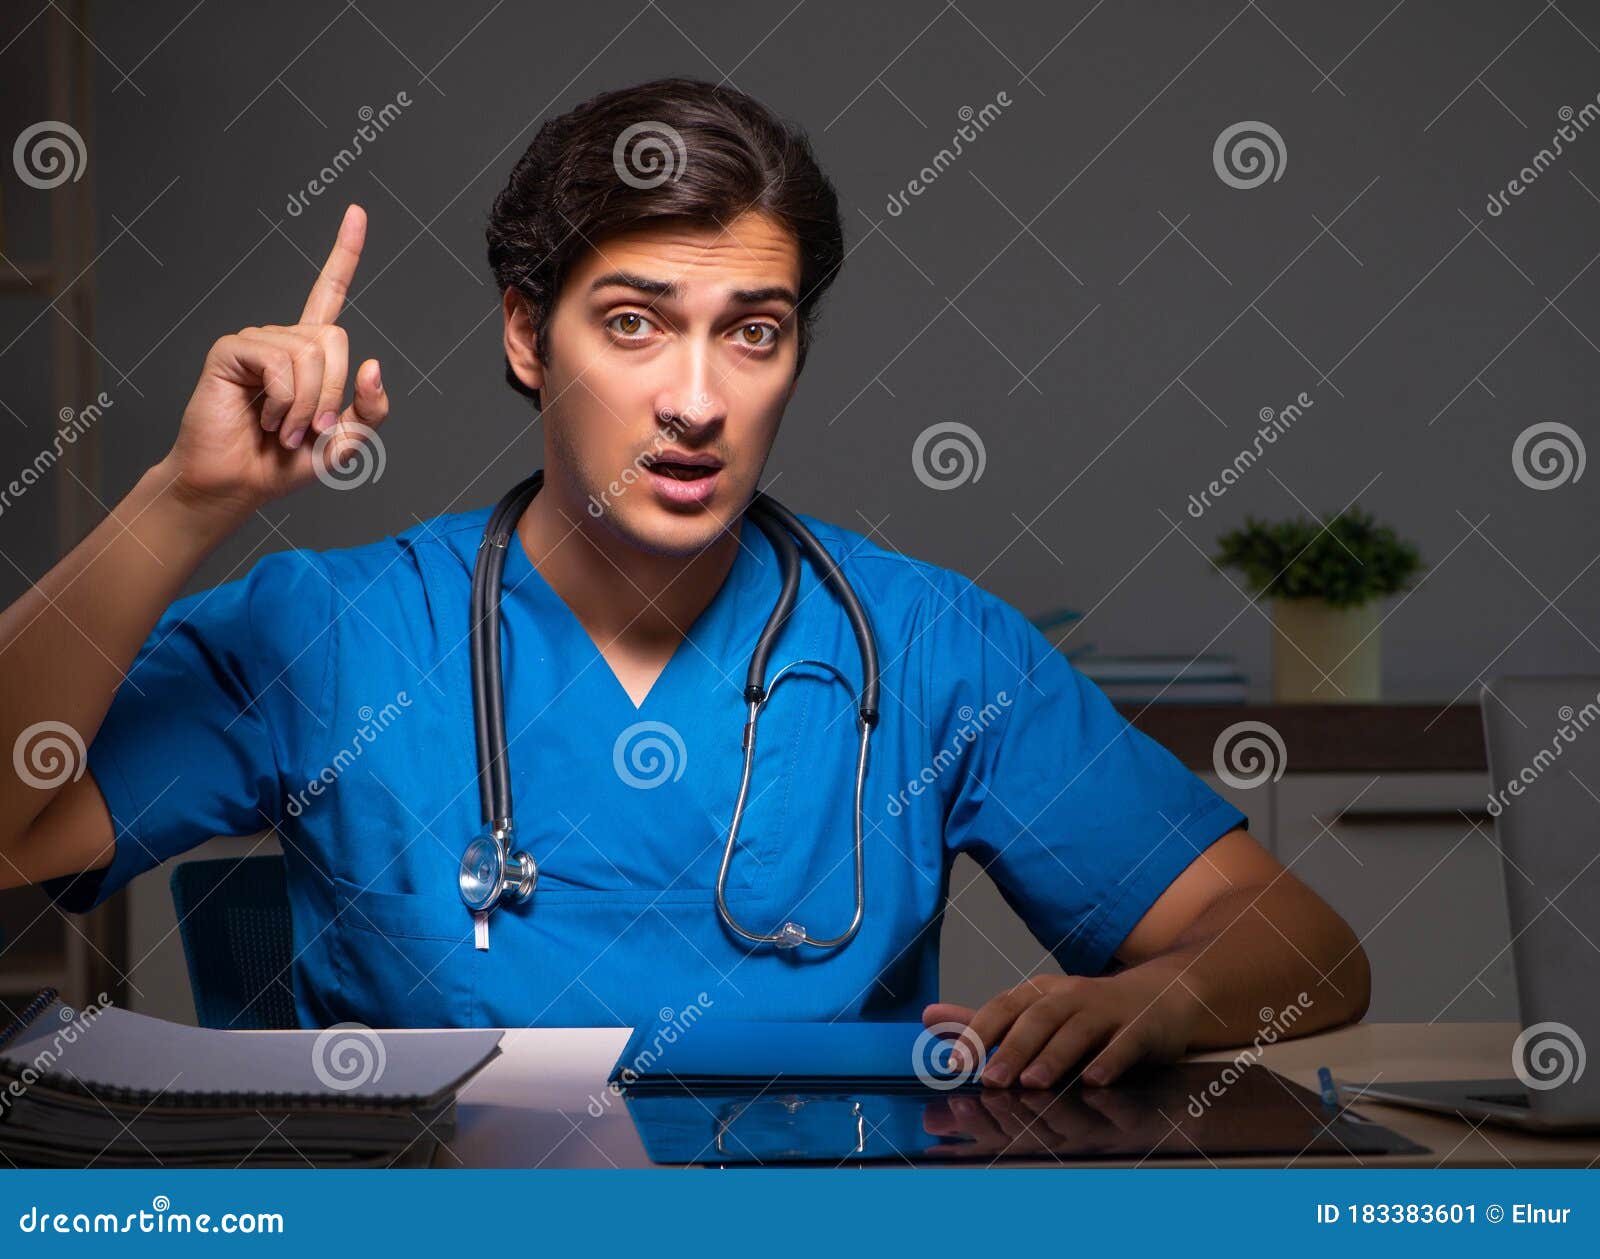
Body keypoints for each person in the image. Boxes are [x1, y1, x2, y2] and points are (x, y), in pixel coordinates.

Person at [0, 78, 1367, 1090]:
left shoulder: (924, 648)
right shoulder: (337, 635)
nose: (699, 400)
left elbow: (1302, 941)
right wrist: (180, 506)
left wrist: (1176, 996)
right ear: (530, 336)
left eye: (753, 334)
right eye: (637, 324)